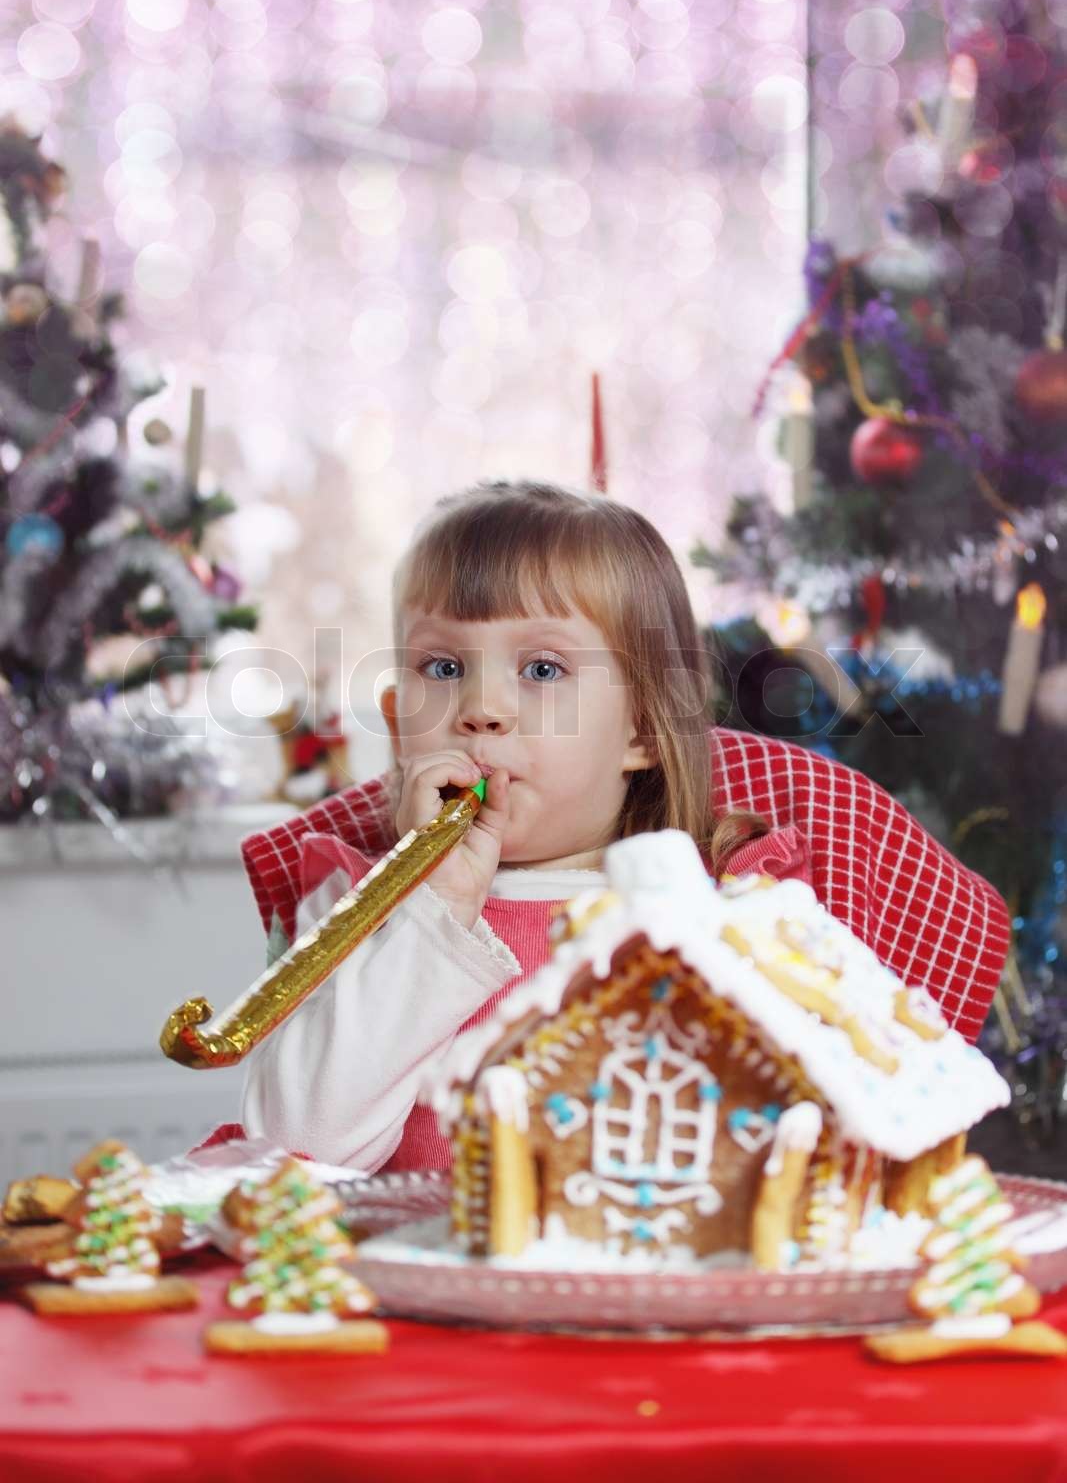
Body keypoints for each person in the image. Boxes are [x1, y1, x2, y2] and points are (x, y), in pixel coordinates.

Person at [232, 479, 1010, 1173]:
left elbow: (820, 1140)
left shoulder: (737, 908)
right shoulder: (350, 906)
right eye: (442, 667)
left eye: (541, 670)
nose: (480, 708)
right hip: (431, 1318)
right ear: (400, 723)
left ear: (640, 725)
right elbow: (296, 1150)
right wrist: (423, 909)